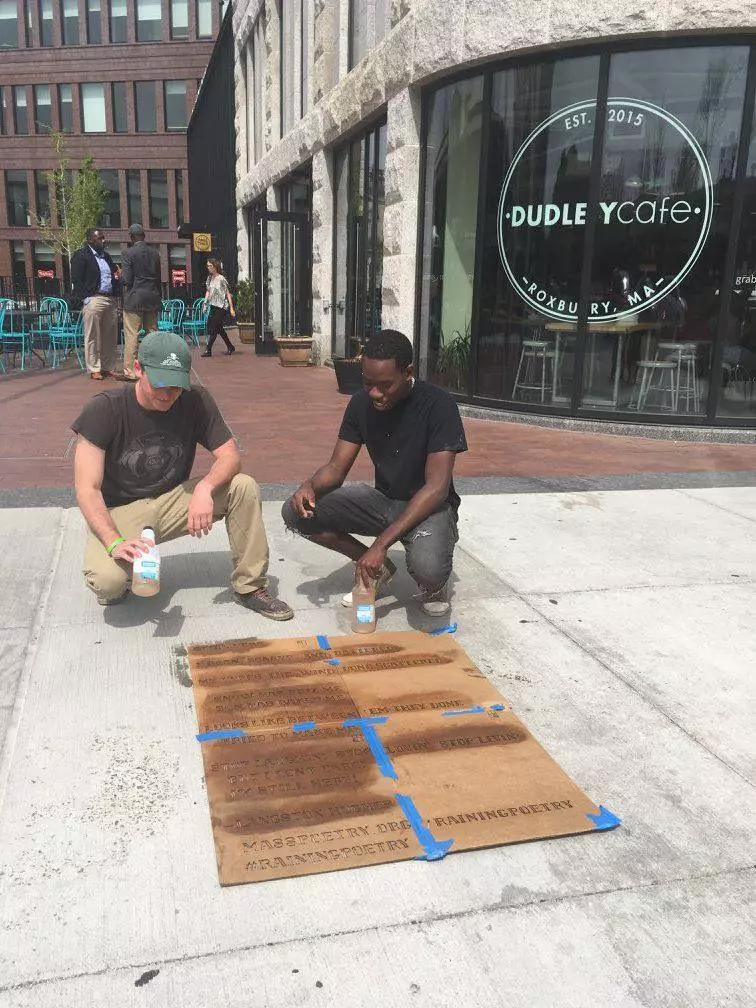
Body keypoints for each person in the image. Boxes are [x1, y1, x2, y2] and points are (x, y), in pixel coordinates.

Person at [72, 329, 293, 620]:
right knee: (108, 583)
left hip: (172, 500)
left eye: (177, 386)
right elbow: (87, 489)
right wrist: (114, 542)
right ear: (138, 369)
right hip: (121, 511)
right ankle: (121, 572)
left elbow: (230, 457)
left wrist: (204, 488)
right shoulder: (104, 409)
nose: (169, 395)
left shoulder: (195, 400)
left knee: (242, 486)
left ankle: (250, 586)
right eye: (161, 384)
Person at [282, 330, 468, 615]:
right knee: (296, 512)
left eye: (384, 385)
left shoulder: (438, 405)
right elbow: (336, 468)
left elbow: (437, 487)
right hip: (385, 501)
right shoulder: (361, 404)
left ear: (408, 372)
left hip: (430, 508)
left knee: (428, 571)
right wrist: (309, 485)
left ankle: (435, 582)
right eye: (368, 383)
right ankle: (375, 569)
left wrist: (380, 543)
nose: (375, 393)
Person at [70, 227, 121, 381]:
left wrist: (117, 279)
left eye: (103, 238)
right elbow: (76, 280)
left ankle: (108, 367)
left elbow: (114, 275)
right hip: (93, 299)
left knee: (110, 336)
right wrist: (86, 299)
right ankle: (94, 368)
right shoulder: (81, 255)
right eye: (100, 238)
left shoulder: (106, 256)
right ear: (91, 240)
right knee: (93, 335)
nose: (103, 241)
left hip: (109, 299)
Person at [121, 223, 162, 381]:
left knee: (132, 335)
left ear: (131, 237)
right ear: (143, 236)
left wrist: (120, 274)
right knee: (152, 333)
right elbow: (158, 278)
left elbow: (127, 279)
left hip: (135, 298)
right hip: (152, 297)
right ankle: (155, 367)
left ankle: (130, 371)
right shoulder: (155, 253)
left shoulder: (128, 253)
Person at [201, 258, 236, 357]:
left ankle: (208, 350)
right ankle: (230, 346)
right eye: (207, 266)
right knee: (219, 328)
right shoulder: (209, 278)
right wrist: (205, 304)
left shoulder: (221, 279)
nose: (208, 268)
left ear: (215, 267)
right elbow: (208, 291)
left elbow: (228, 293)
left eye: (210, 266)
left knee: (214, 328)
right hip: (213, 305)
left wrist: (231, 308)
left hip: (221, 306)